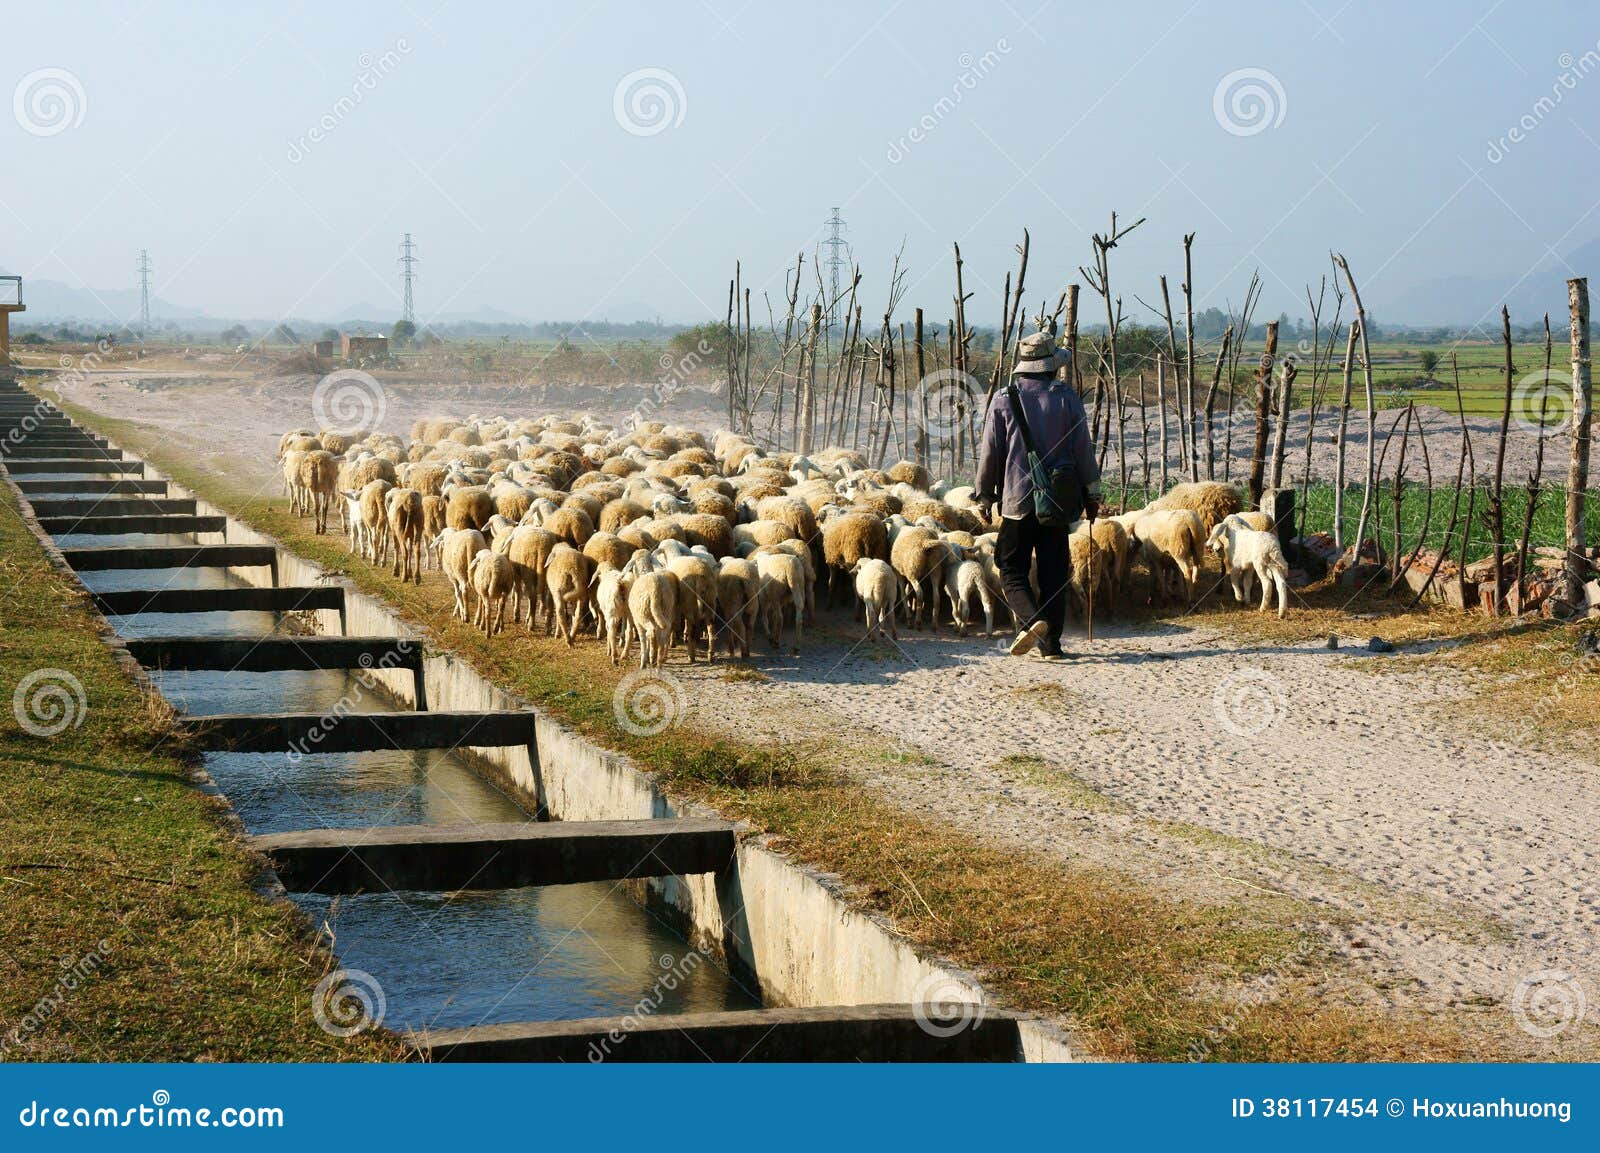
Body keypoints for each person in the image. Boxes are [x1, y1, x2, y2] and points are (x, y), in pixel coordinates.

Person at [972, 328, 1101, 659]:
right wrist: (1092, 493)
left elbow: (991, 453)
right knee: (1054, 570)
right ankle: (1051, 644)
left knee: (1010, 566)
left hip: (1017, 500)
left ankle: (1032, 620)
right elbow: (1083, 450)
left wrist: (984, 496)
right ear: (1051, 367)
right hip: (1058, 500)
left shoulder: (1003, 399)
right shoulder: (1066, 398)